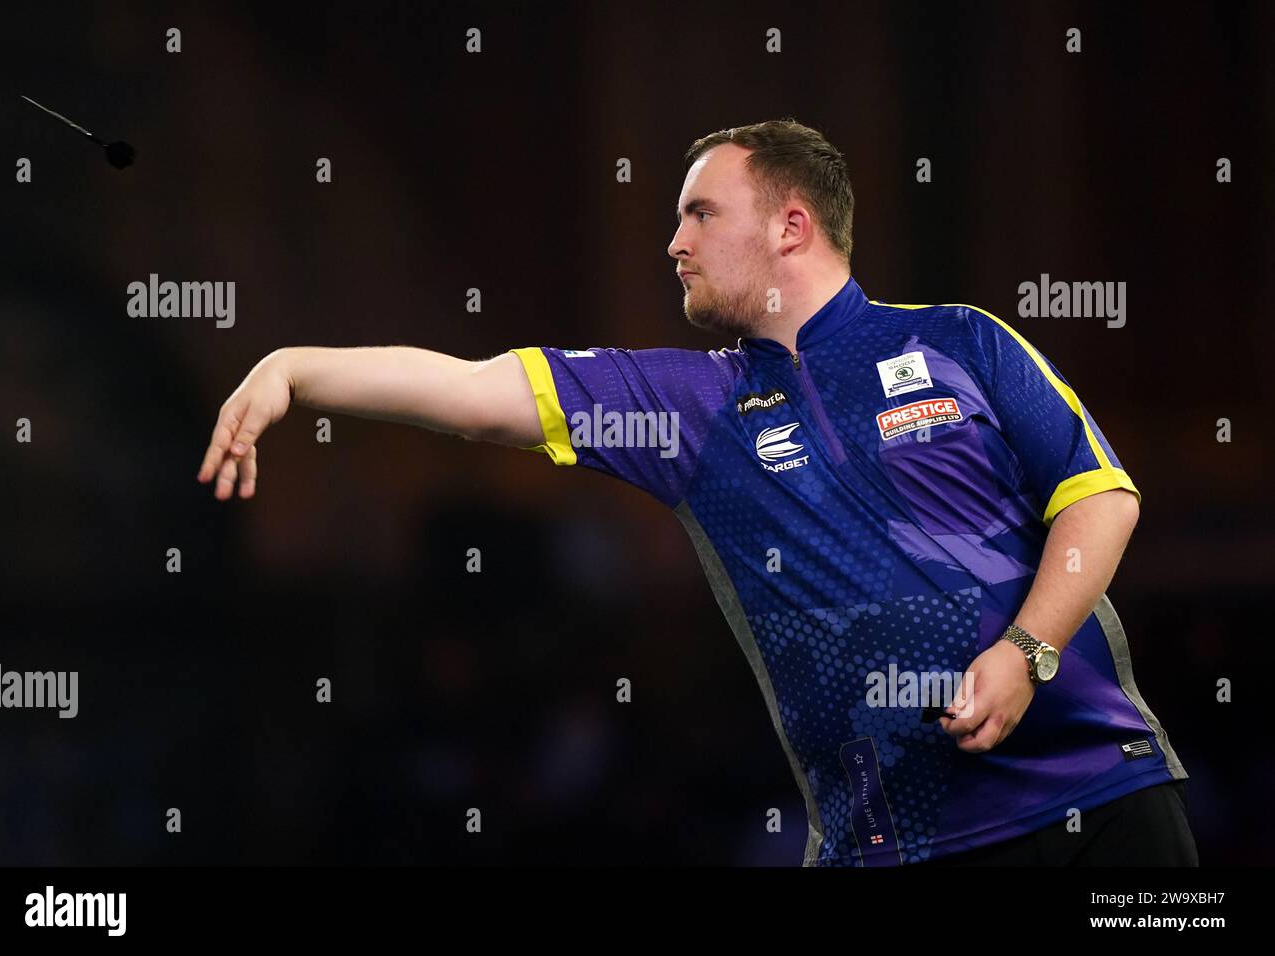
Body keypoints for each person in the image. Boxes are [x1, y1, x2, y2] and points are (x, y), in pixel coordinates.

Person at [198, 119, 1196, 867]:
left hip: (1102, 804)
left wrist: (1025, 653)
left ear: (790, 224)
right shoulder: (689, 405)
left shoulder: (964, 341)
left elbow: (1100, 499)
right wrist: (293, 366)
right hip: (892, 843)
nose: (672, 240)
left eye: (699, 212)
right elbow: (471, 391)